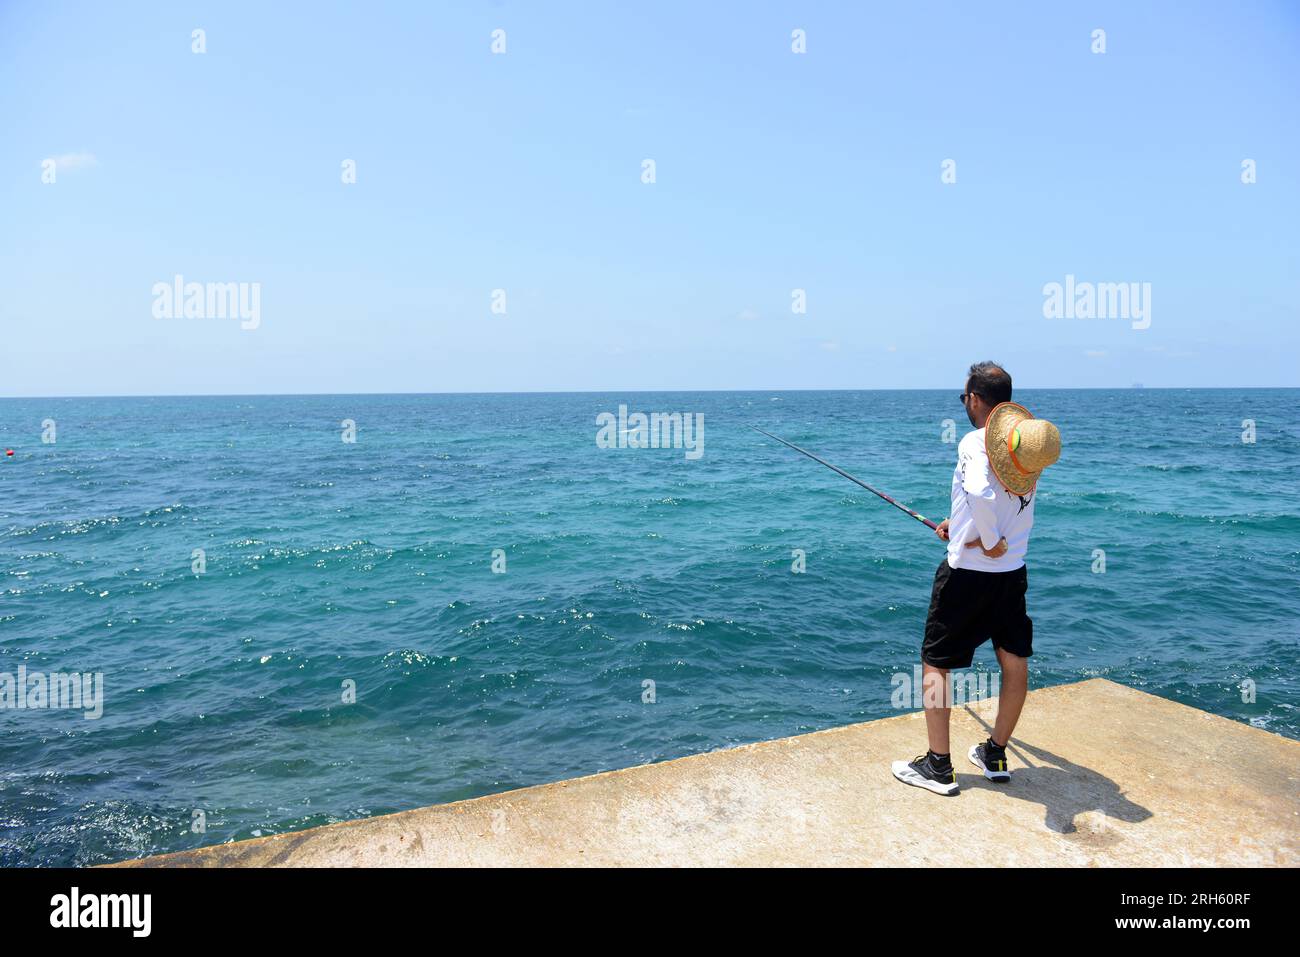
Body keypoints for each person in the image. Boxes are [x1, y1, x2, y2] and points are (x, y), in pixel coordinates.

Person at [892, 362, 1061, 795]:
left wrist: (984, 540)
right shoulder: (1024, 444)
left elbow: (984, 494)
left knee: (936, 663)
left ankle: (938, 766)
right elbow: (995, 497)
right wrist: (962, 525)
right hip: (1012, 574)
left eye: (964, 397)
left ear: (974, 398)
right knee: (1013, 657)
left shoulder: (974, 440)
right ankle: (995, 751)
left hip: (968, 574)